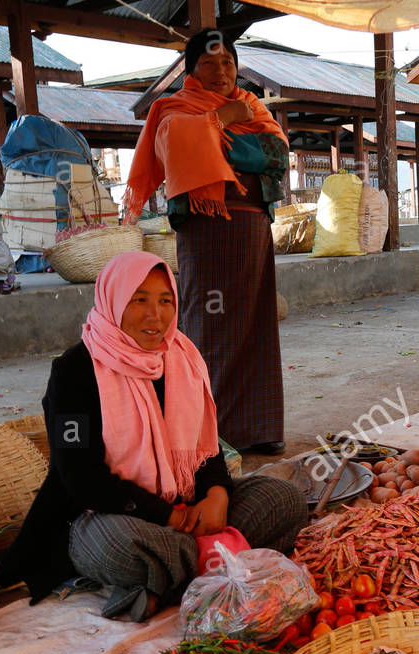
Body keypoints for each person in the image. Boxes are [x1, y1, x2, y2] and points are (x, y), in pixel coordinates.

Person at [0, 252, 309, 622]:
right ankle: (214, 562)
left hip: (186, 506)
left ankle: (164, 578)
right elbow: (81, 478)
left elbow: (204, 448)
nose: (154, 315)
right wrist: (169, 518)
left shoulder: (183, 358)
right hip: (112, 514)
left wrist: (218, 494)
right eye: (138, 299)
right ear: (112, 300)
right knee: (120, 548)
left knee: (284, 498)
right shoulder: (74, 371)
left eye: (165, 301)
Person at [124, 29, 289, 457]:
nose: (221, 72)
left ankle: (258, 428)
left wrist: (216, 139)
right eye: (210, 64)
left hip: (253, 227)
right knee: (209, 325)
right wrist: (223, 121)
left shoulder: (253, 106)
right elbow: (179, 144)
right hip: (207, 230)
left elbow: (274, 154)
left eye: (228, 64)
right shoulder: (172, 109)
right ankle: (209, 432)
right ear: (191, 70)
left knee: (256, 326)